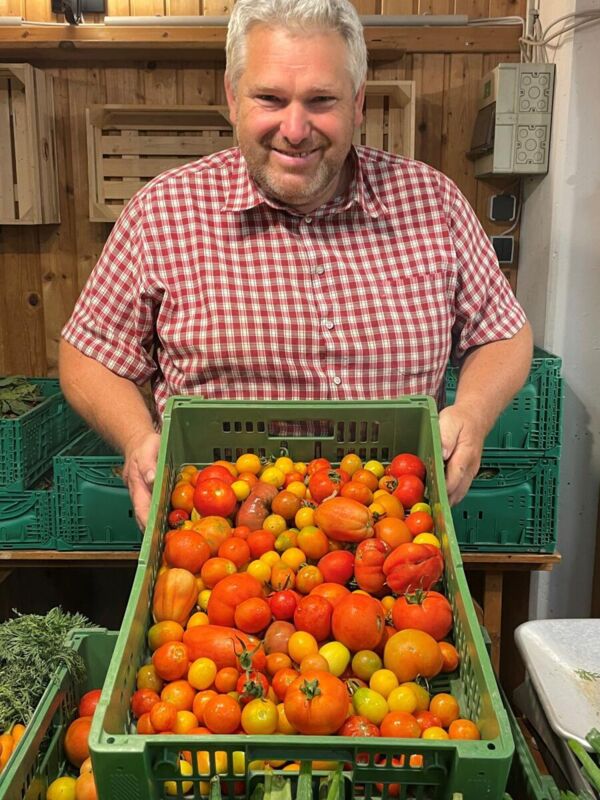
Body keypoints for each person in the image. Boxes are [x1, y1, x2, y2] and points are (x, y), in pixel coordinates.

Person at [59, 0, 533, 530]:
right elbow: (89, 354)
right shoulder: (163, 211)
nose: (295, 128)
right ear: (233, 98)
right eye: (270, 98)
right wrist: (136, 439)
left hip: (394, 530)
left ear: (357, 104)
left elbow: (503, 333)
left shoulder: (432, 202)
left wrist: (472, 413)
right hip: (218, 535)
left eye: (321, 100)